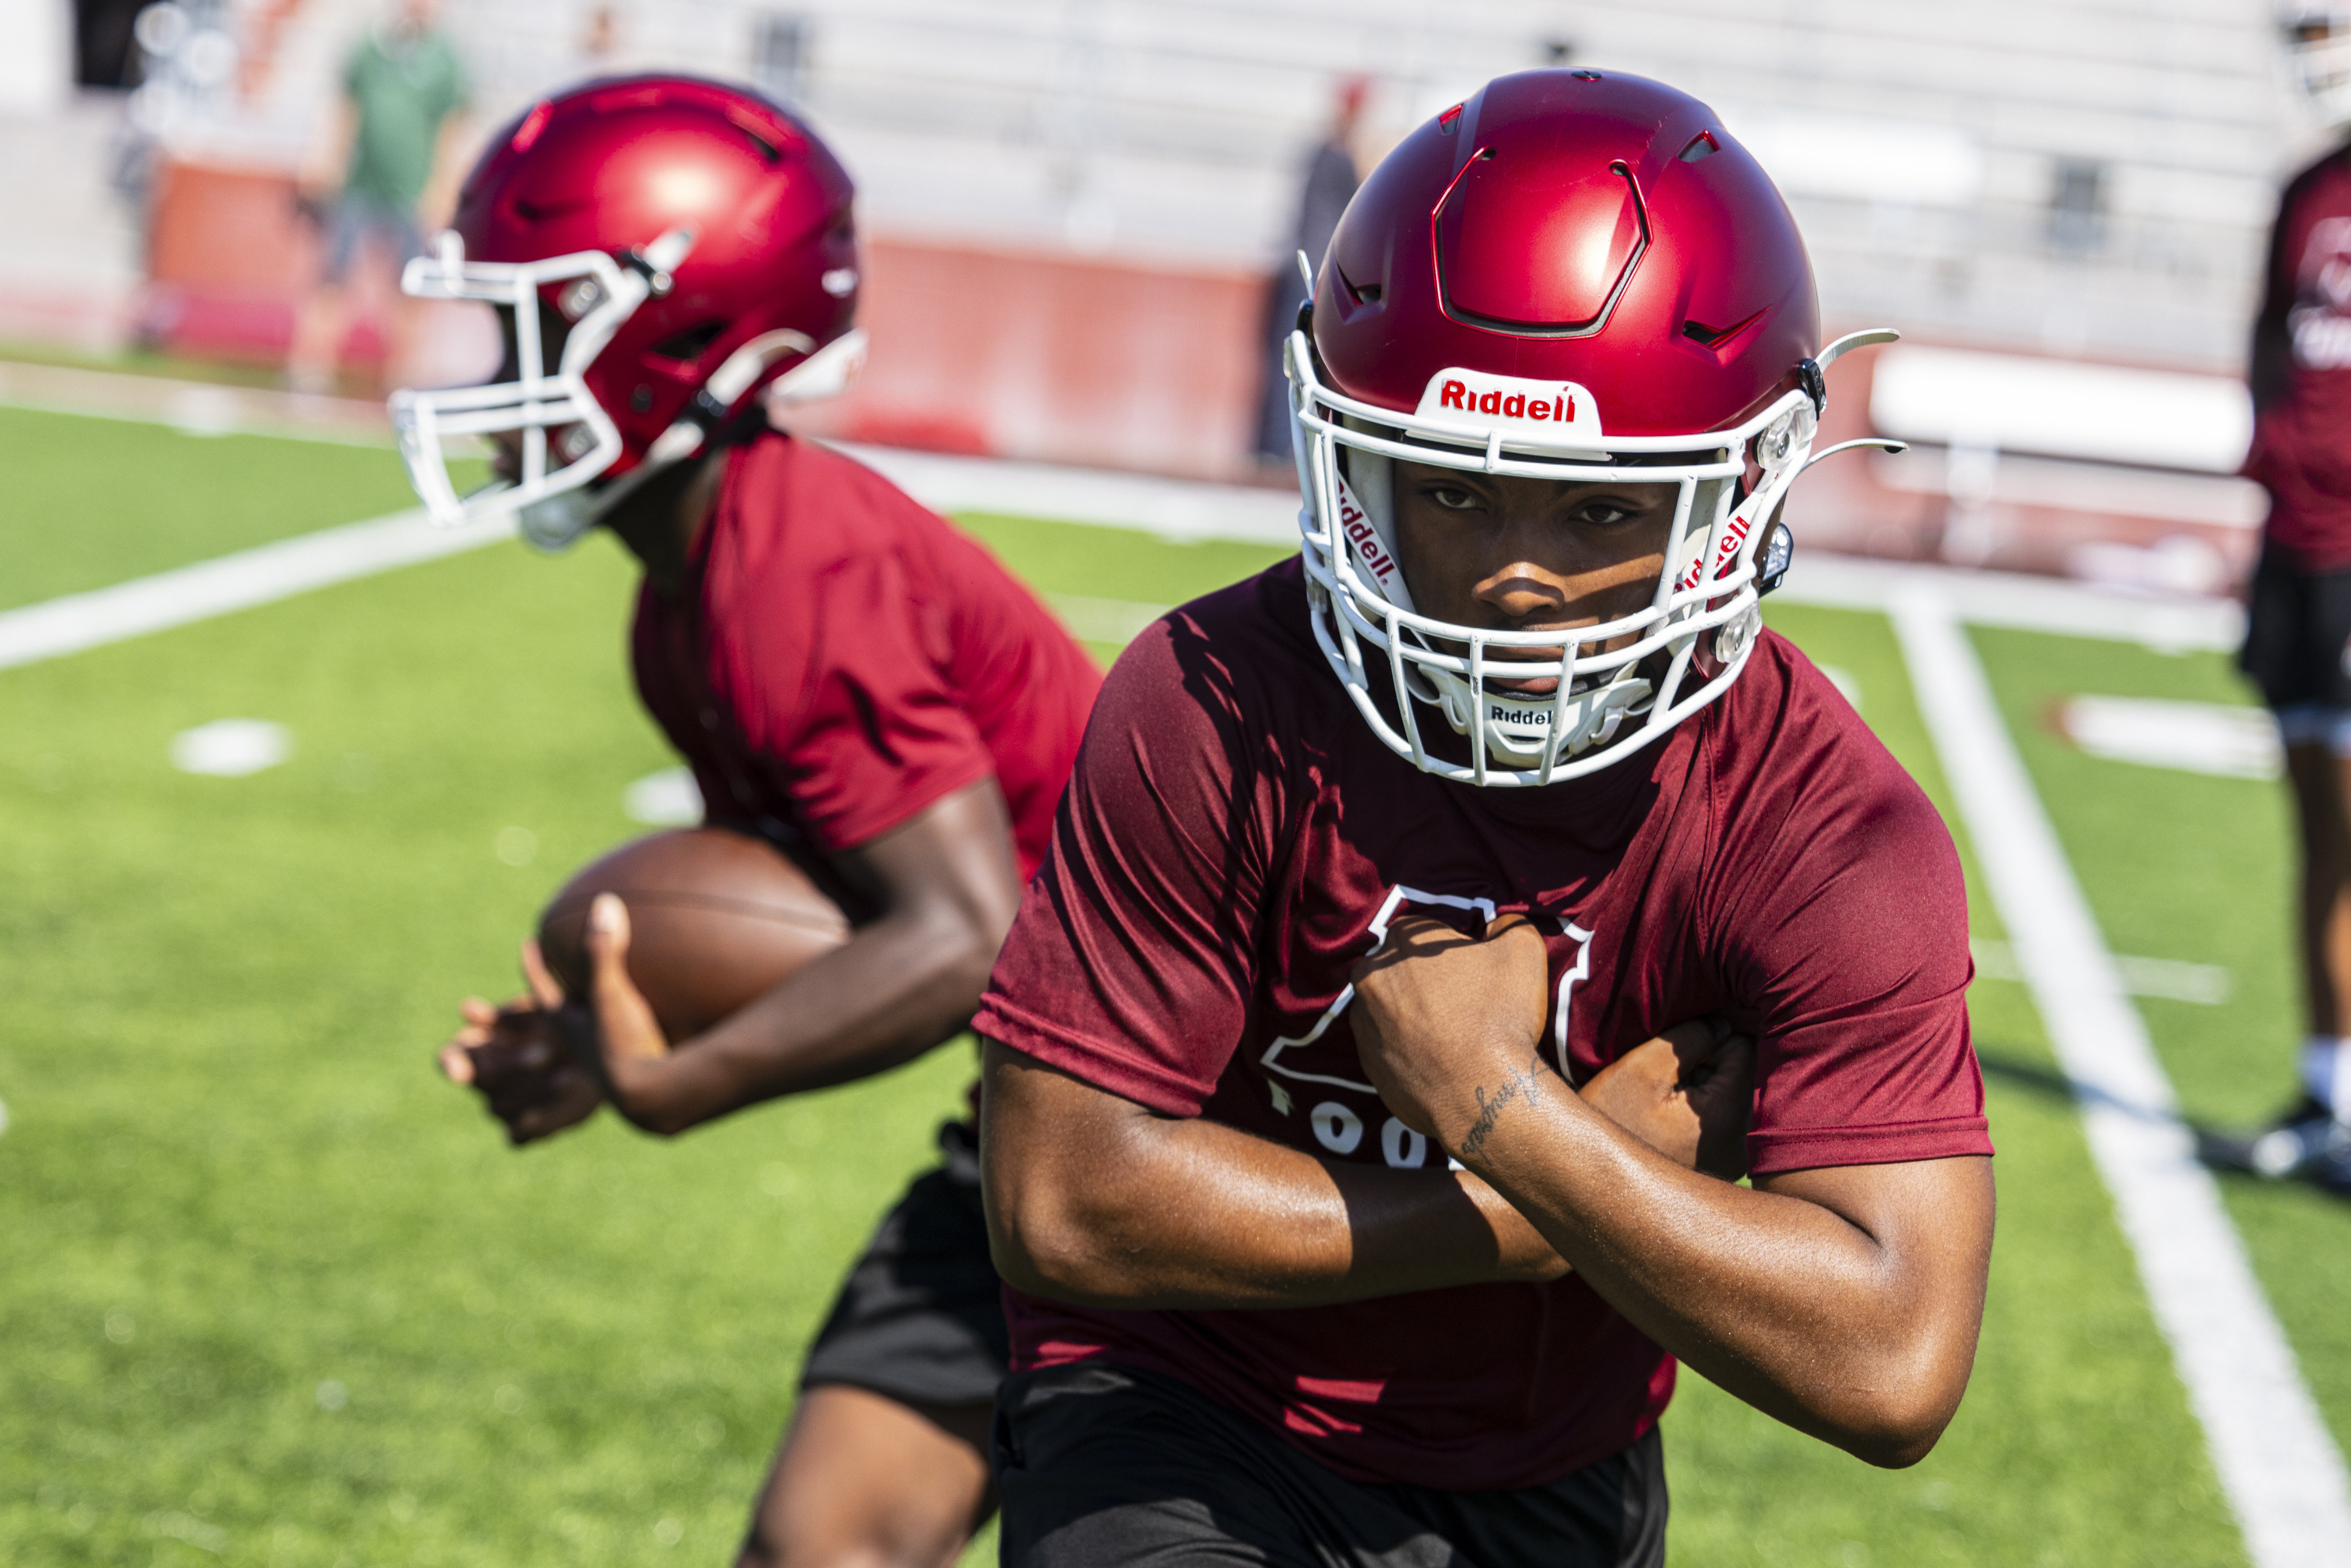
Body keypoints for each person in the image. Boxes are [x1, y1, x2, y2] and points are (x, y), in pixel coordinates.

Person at [974, 69, 1995, 1567]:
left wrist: (1499, 1105)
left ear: (1740, 492)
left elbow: (1891, 1363)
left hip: (1550, 1462)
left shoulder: (1821, 824)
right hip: (1185, 1407)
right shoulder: (1215, 697)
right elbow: (1062, 1198)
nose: (1517, 579)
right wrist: (1521, 1194)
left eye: (1599, 510)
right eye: (1452, 493)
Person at [390, 76, 1104, 1568]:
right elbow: (805, 912)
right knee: (820, 1541)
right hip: (1044, 1102)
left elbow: (956, 935)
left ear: (674, 337)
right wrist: (596, 1038)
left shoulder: (796, 569)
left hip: (1187, 1116)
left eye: (536, 328)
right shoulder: (687, 604)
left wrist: (680, 1081)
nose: (499, 375)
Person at [2204, 4, 2351, 1192]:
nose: (2317, 53)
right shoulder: (2307, 189)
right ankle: (2326, 1089)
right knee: (2317, 831)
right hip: (2294, 551)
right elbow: (2268, 338)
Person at [287, 0, 470, 394]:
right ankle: (310, 369)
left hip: (412, 190)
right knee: (333, 276)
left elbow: (451, 127)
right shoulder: (370, 46)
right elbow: (345, 107)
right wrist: (325, 161)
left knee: (409, 288)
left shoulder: (445, 59)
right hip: (359, 183)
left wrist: (442, 189)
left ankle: (401, 377)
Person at [1253, 75, 1365, 465]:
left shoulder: (1323, 152)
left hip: (1304, 266)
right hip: (1311, 273)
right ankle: (1277, 448)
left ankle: (1275, 446)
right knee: (1295, 359)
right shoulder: (1337, 156)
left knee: (1290, 358)